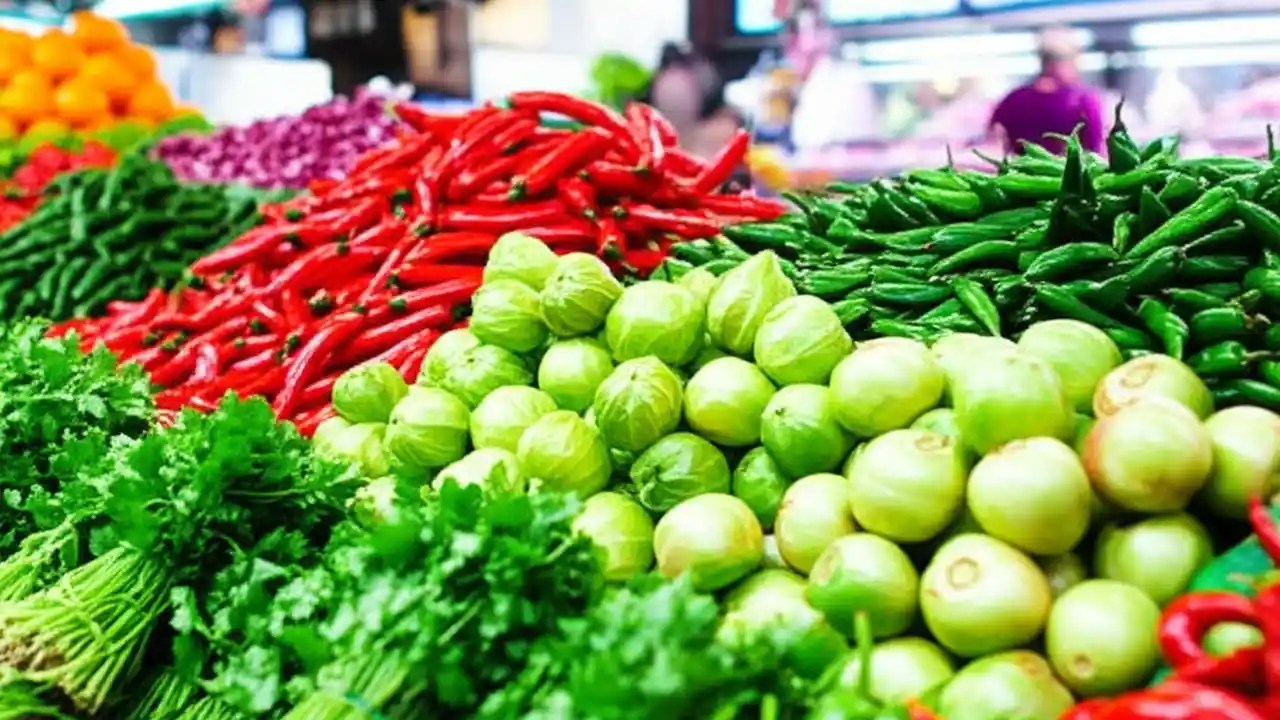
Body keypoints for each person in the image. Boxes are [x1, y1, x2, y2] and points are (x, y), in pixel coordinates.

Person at [989, 26, 1103, 155]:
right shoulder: (1083, 101)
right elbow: (1094, 153)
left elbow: (993, 136)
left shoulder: (1013, 99)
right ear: (1067, 62)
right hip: (1068, 174)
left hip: (1021, 172)